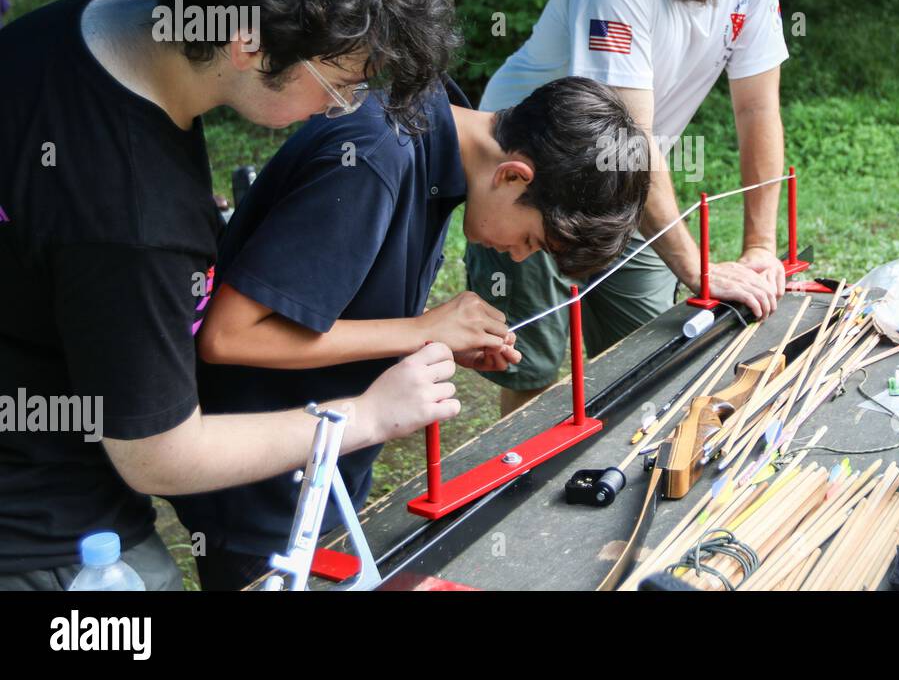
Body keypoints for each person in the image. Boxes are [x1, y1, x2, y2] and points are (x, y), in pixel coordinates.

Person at [0, 0, 463, 590]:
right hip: (39, 523)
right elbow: (159, 457)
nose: (342, 110)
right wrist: (366, 415)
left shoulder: (92, 21)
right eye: (341, 85)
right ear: (249, 45)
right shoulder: (133, 216)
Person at [171, 77, 649, 589]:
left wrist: (430, 339)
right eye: (532, 239)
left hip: (324, 473)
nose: (520, 255)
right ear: (513, 176)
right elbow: (228, 337)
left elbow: (332, 300)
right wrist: (419, 328)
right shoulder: (376, 157)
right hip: (260, 494)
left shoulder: (432, 140)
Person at [469, 0, 792, 416]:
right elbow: (627, 138)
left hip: (625, 176)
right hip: (522, 173)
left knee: (653, 352)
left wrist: (760, 247)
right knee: (535, 368)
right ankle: (526, 494)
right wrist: (698, 269)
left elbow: (757, 109)